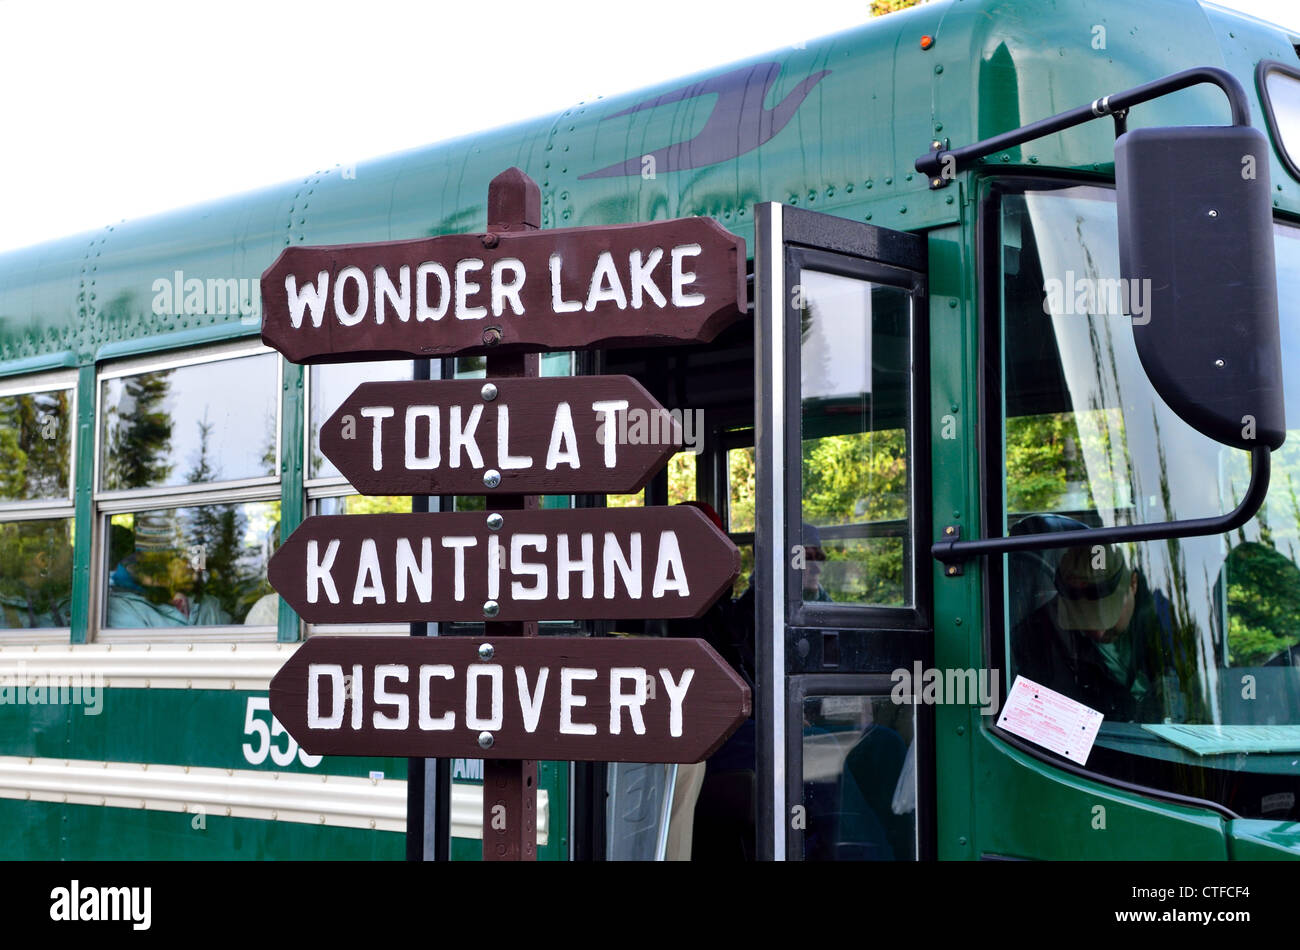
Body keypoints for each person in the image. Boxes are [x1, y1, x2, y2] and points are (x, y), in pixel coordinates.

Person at [1012, 542, 1170, 722]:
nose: (1098, 632)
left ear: (1133, 584)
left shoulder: (1167, 622)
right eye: (1081, 613)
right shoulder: (1036, 642)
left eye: (1109, 609)